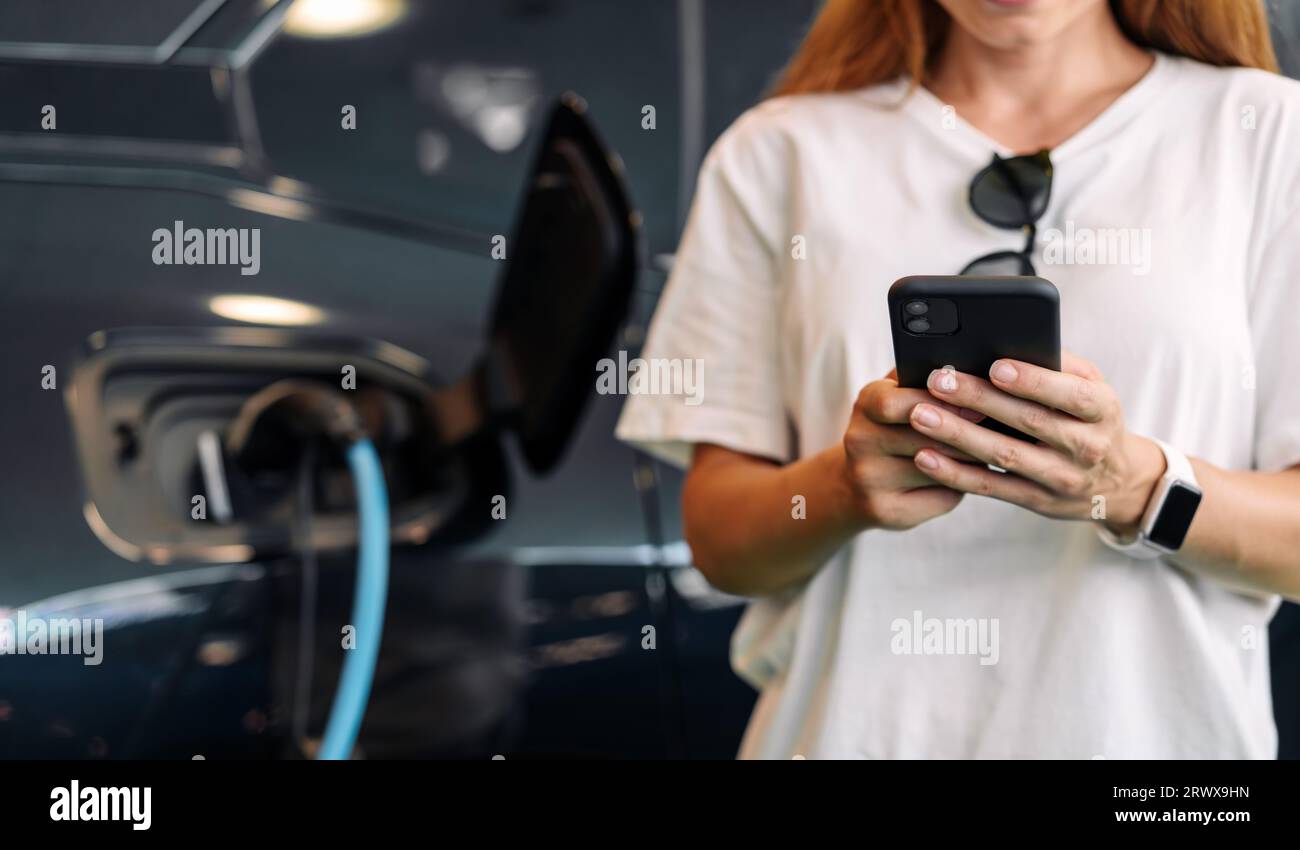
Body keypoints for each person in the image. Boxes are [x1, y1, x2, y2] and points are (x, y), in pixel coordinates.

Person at [616, 0, 1300, 758]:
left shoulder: (1267, 133)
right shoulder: (777, 152)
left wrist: (1136, 486)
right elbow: (719, 543)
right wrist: (846, 490)